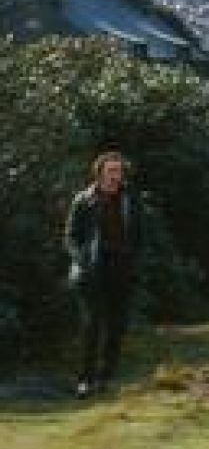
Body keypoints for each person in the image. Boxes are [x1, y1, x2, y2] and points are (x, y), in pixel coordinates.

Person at [65, 150, 144, 398]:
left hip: (121, 267)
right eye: (110, 171)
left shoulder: (131, 199)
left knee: (117, 326)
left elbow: (140, 234)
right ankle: (85, 379)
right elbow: (70, 237)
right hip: (92, 270)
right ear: (99, 173)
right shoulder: (83, 199)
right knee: (92, 324)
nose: (115, 176)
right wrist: (82, 261)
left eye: (118, 171)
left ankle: (106, 377)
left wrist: (136, 261)